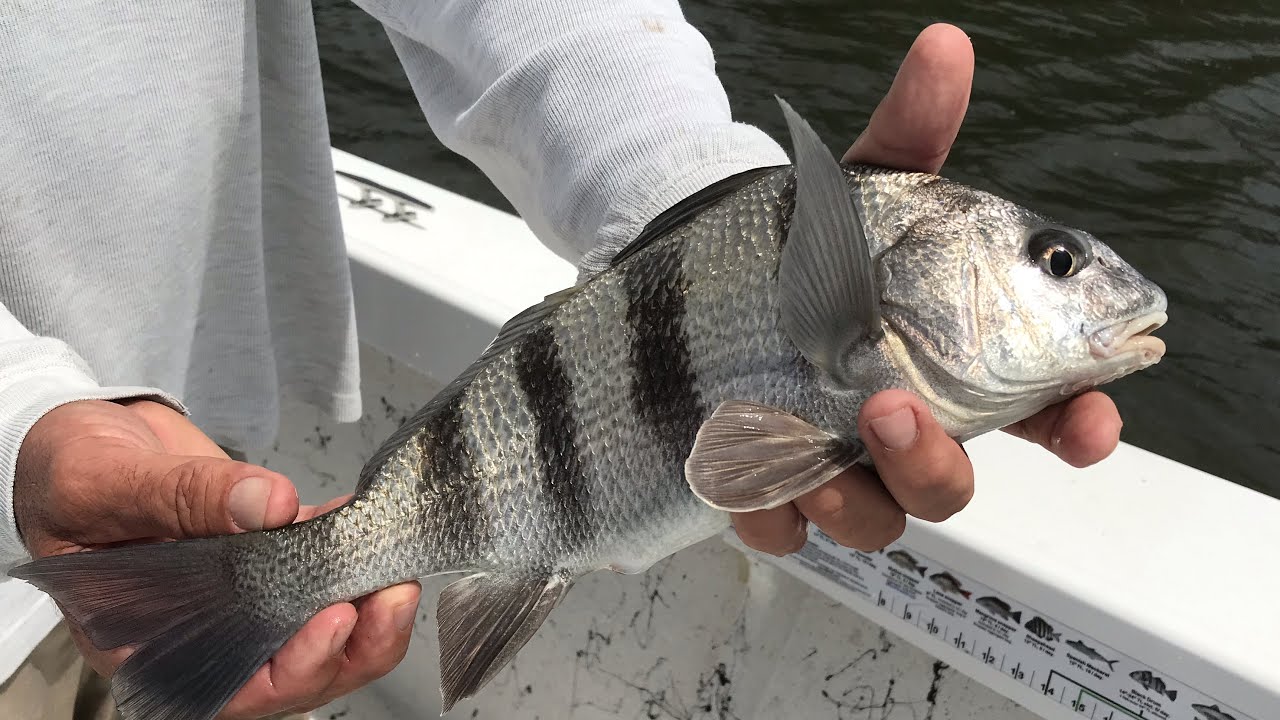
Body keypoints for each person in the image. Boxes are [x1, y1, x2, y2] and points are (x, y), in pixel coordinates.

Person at [0, 4, 1125, 719]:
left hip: (177, 472)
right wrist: (22, 416)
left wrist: (691, 187)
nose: (1085, 285)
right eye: (1055, 262)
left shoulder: (862, 312)